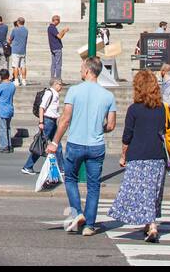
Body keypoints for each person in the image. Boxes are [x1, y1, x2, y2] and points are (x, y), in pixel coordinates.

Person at [47, 57, 117, 237]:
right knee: (94, 186)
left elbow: (65, 119)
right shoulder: (108, 95)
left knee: (71, 178)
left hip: (75, 143)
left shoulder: (74, 91)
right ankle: (90, 225)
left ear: (87, 71)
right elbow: (110, 125)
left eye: (81, 68)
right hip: (96, 145)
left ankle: (78, 212)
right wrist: (98, 128)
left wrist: (55, 142)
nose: (80, 71)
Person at [111, 69, 167, 243]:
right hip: (157, 155)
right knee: (152, 192)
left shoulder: (134, 109)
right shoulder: (161, 109)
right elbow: (162, 131)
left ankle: (151, 226)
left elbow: (128, 135)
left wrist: (123, 155)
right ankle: (149, 223)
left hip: (138, 155)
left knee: (138, 192)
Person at [21, 78, 63, 175]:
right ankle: (28, 166)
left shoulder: (54, 93)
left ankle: (61, 168)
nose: (61, 87)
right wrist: (41, 122)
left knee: (57, 144)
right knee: (40, 145)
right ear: (56, 84)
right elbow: (42, 107)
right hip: (47, 121)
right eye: (60, 84)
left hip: (52, 121)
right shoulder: (49, 93)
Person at [8, 17, 30, 87]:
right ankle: (24, 80)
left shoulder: (15, 30)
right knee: (23, 66)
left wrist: (9, 42)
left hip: (15, 50)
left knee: (15, 66)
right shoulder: (26, 30)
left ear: (18, 22)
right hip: (23, 50)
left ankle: (16, 80)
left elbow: (10, 39)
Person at [46, 15, 68, 82]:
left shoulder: (50, 28)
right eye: (59, 21)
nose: (59, 22)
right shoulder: (52, 28)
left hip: (53, 48)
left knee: (53, 64)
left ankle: (52, 78)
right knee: (58, 64)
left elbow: (59, 36)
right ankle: (58, 79)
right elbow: (59, 36)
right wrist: (64, 31)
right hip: (57, 48)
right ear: (55, 20)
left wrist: (63, 32)